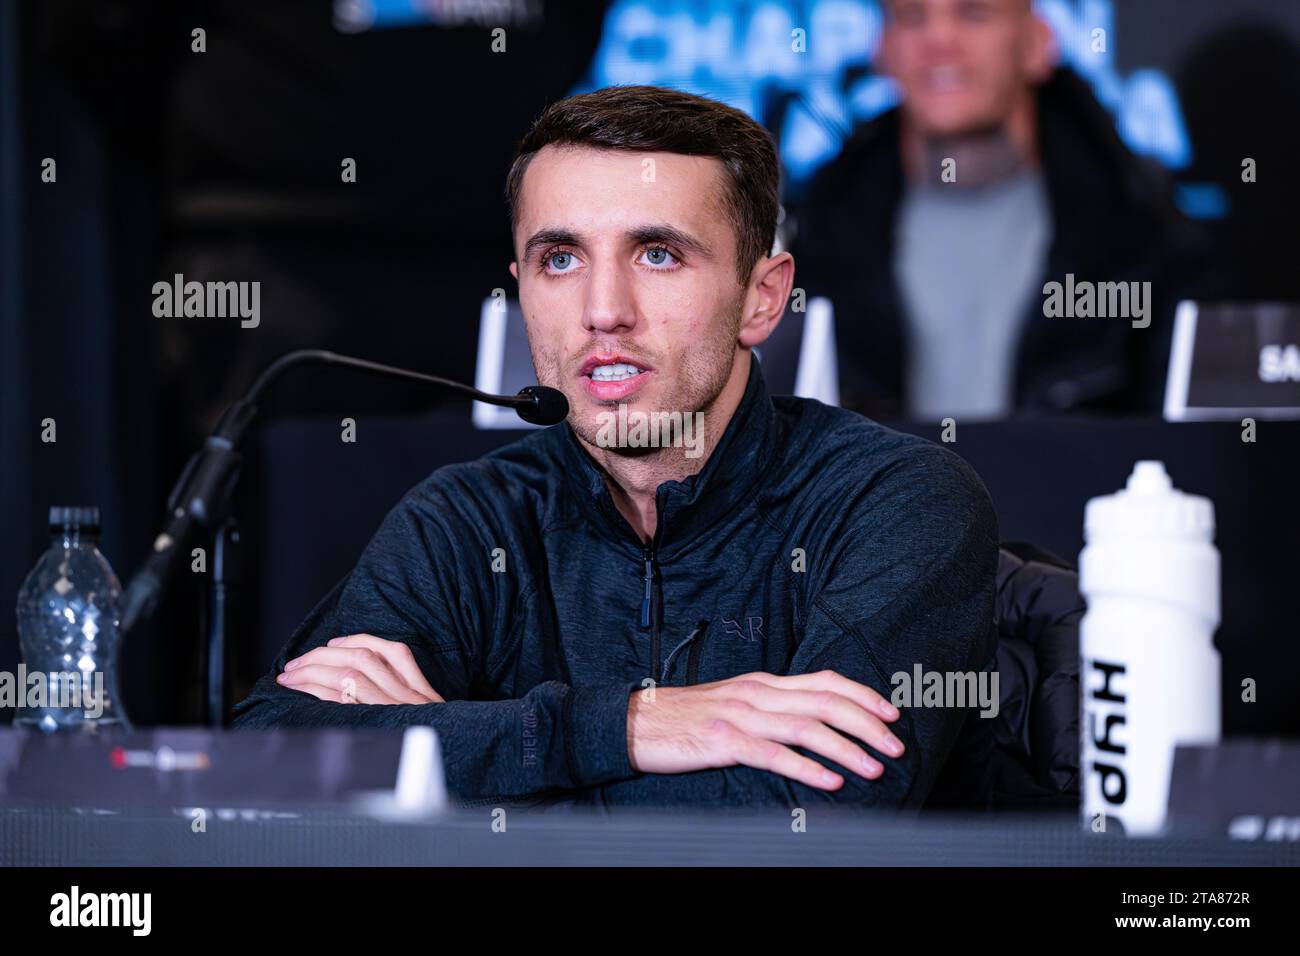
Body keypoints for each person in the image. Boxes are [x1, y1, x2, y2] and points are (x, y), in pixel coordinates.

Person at [233, 85, 999, 810]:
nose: (603, 312)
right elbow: (276, 761)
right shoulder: (465, 519)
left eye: (657, 254)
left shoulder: (900, 500)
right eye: (560, 259)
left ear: (762, 298)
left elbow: (814, 819)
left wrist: (454, 764)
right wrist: (635, 726)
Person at [793, 0, 1208, 420]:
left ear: (1037, 44)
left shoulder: (1138, 237)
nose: (939, 40)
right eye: (912, 17)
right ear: (883, 50)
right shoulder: (817, 238)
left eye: (974, 14)